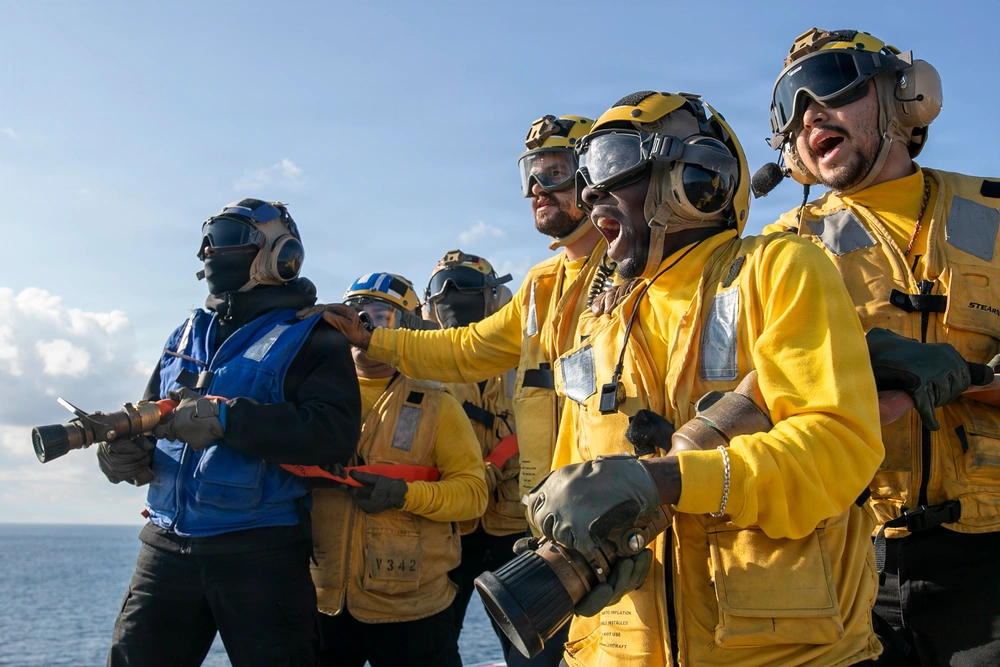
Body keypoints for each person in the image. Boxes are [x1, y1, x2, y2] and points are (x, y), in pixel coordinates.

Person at [522, 91, 885, 666]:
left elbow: (839, 448)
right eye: (584, 174)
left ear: (698, 175)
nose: (590, 193)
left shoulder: (779, 268)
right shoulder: (599, 327)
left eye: (611, 164)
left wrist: (669, 481)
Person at [311, 114, 606, 665]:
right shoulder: (545, 286)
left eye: (556, 172)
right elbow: (462, 350)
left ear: (598, 175)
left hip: (574, 515)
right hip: (507, 521)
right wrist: (371, 340)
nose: (539, 188)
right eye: (531, 176)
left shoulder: (630, 269)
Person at [761, 28, 1000, 665]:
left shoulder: (996, 215)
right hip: (840, 561)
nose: (811, 110)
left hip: (988, 562)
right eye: (791, 102)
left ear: (907, 96)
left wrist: (964, 377)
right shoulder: (776, 252)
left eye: (835, 79)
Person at [96, 199, 362, 667]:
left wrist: (229, 421)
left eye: (223, 236)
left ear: (282, 254)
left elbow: (334, 435)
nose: (207, 250)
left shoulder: (313, 334)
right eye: (206, 238)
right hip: (165, 547)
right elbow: (152, 427)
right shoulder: (183, 334)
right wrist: (126, 455)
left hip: (260, 553)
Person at [308, 272, 487, 667]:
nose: (362, 326)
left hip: (414, 613)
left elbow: (473, 495)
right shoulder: (312, 399)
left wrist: (403, 495)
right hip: (324, 607)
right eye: (353, 314)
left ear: (406, 326)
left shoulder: (439, 405)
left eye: (377, 316)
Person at [421, 249, 523, 636]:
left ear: (495, 296)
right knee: (434, 644)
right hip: (447, 529)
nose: (451, 294)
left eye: (464, 284)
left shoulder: (527, 355)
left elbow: (546, 425)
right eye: (439, 288)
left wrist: (495, 465)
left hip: (516, 529)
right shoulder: (420, 365)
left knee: (531, 647)